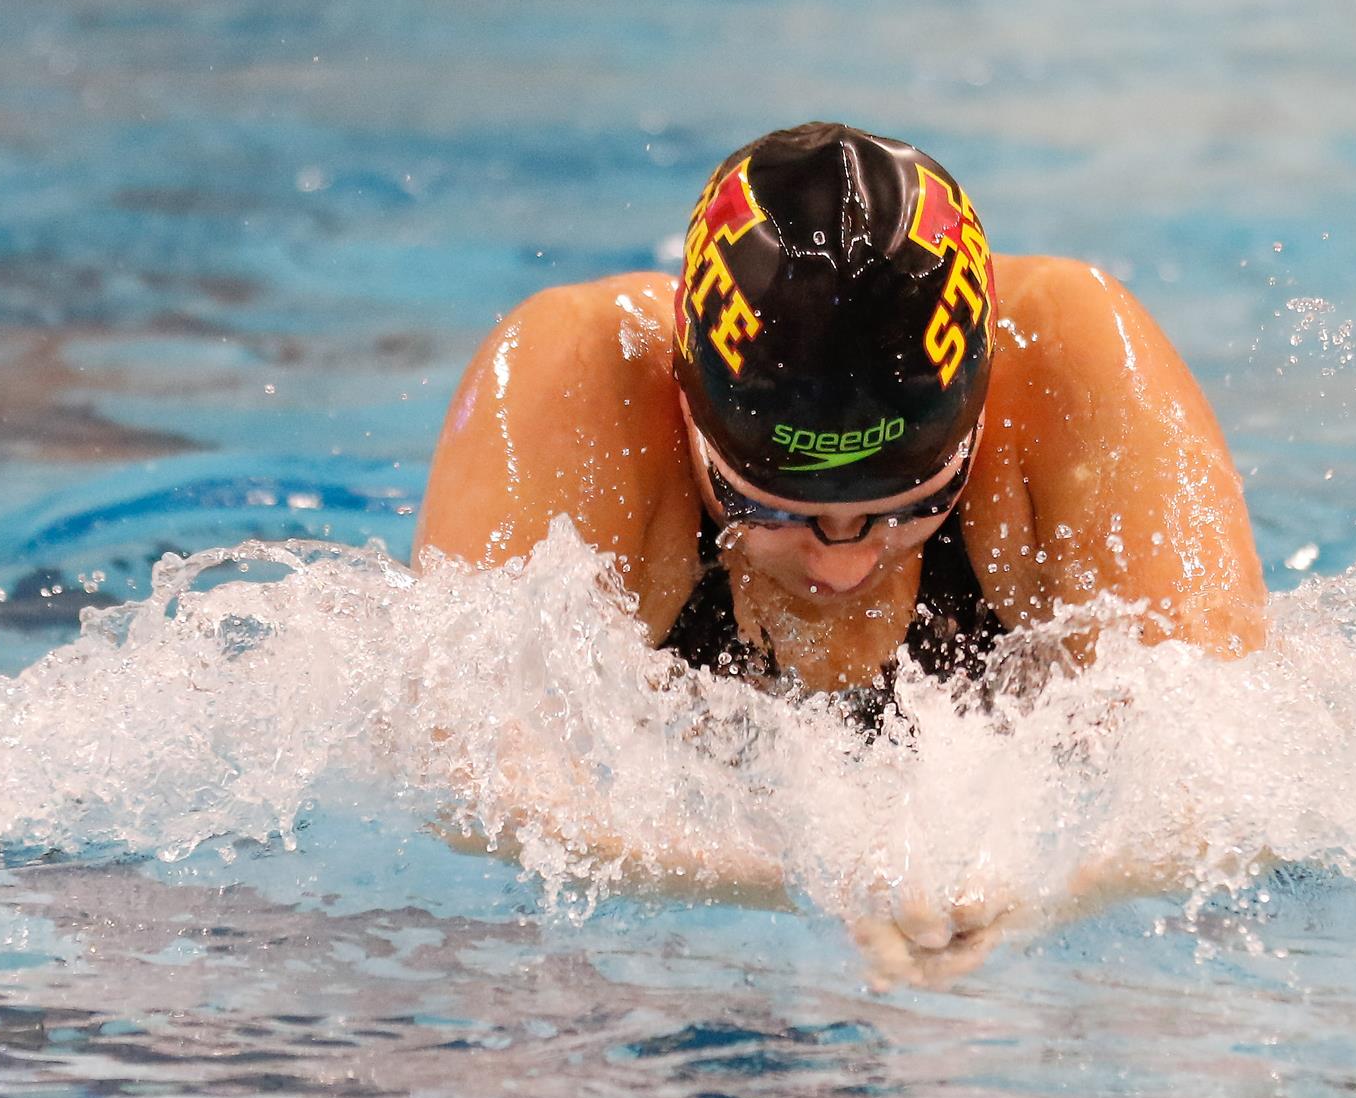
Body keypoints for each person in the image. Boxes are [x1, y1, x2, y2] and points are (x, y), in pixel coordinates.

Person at [415, 122, 1267, 986]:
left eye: (915, 506)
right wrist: (796, 878)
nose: (842, 567)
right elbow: (469, 781)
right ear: (686, 408)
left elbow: (1233, 763)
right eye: (764, 507)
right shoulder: (582, 384)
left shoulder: (1067, 365)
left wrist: (1050, 885)